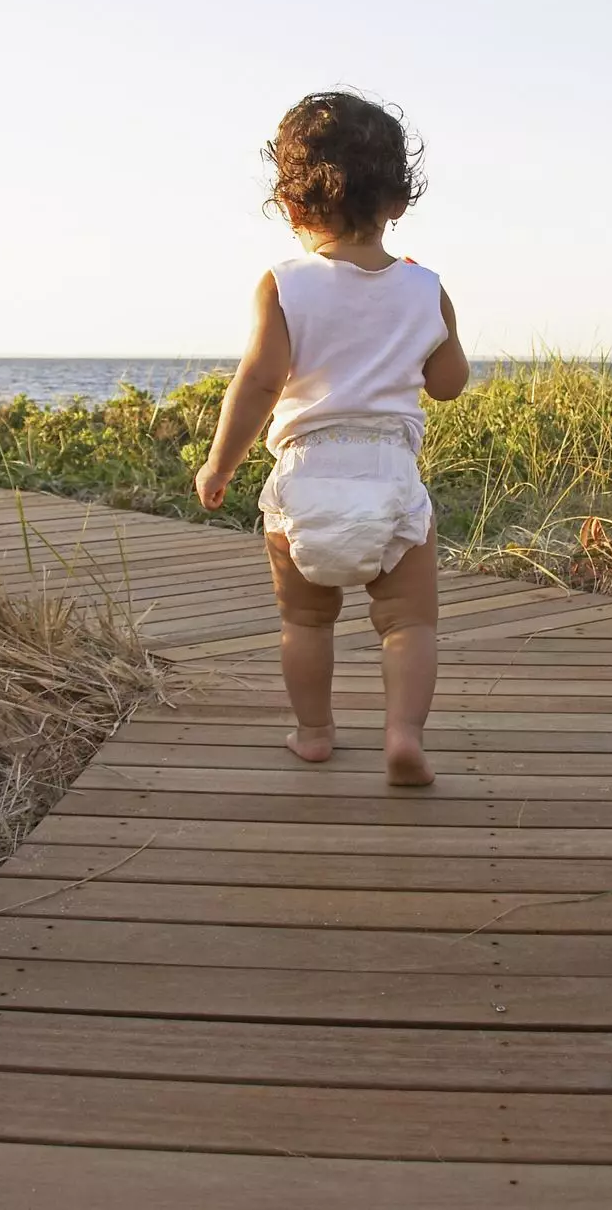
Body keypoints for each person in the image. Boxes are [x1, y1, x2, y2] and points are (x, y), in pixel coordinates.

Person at [194, 91, 468, 787]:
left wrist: (218, 463)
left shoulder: (283, 286)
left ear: (289, 206)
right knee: (409, 624)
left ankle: (314, 734)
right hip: (389, 475)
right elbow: (447, 383)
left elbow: (257, 383)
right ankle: (402, 736)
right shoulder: (424, 288)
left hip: (305, 475)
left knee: (306, 624)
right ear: (399, 202)